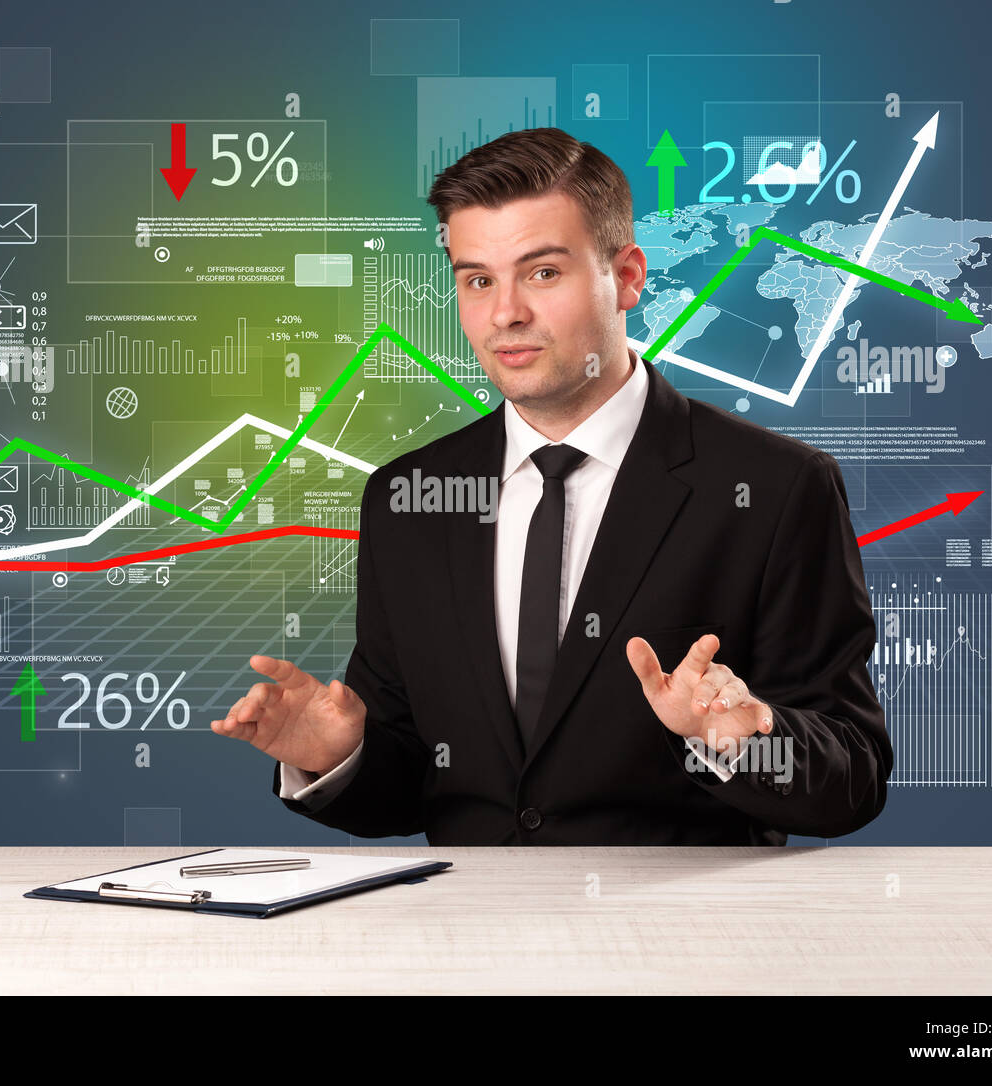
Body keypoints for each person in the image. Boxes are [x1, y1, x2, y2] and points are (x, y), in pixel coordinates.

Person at [211, 127, 892, 845]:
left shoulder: (775, 488)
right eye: (478, 279)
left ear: (628, 277)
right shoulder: (406, 498)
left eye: (542, 273)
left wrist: (745, 738)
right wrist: (337, 756)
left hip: (675, 943)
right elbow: (416, 786)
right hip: (465, 941)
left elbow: (853, 777)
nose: (505, 313)